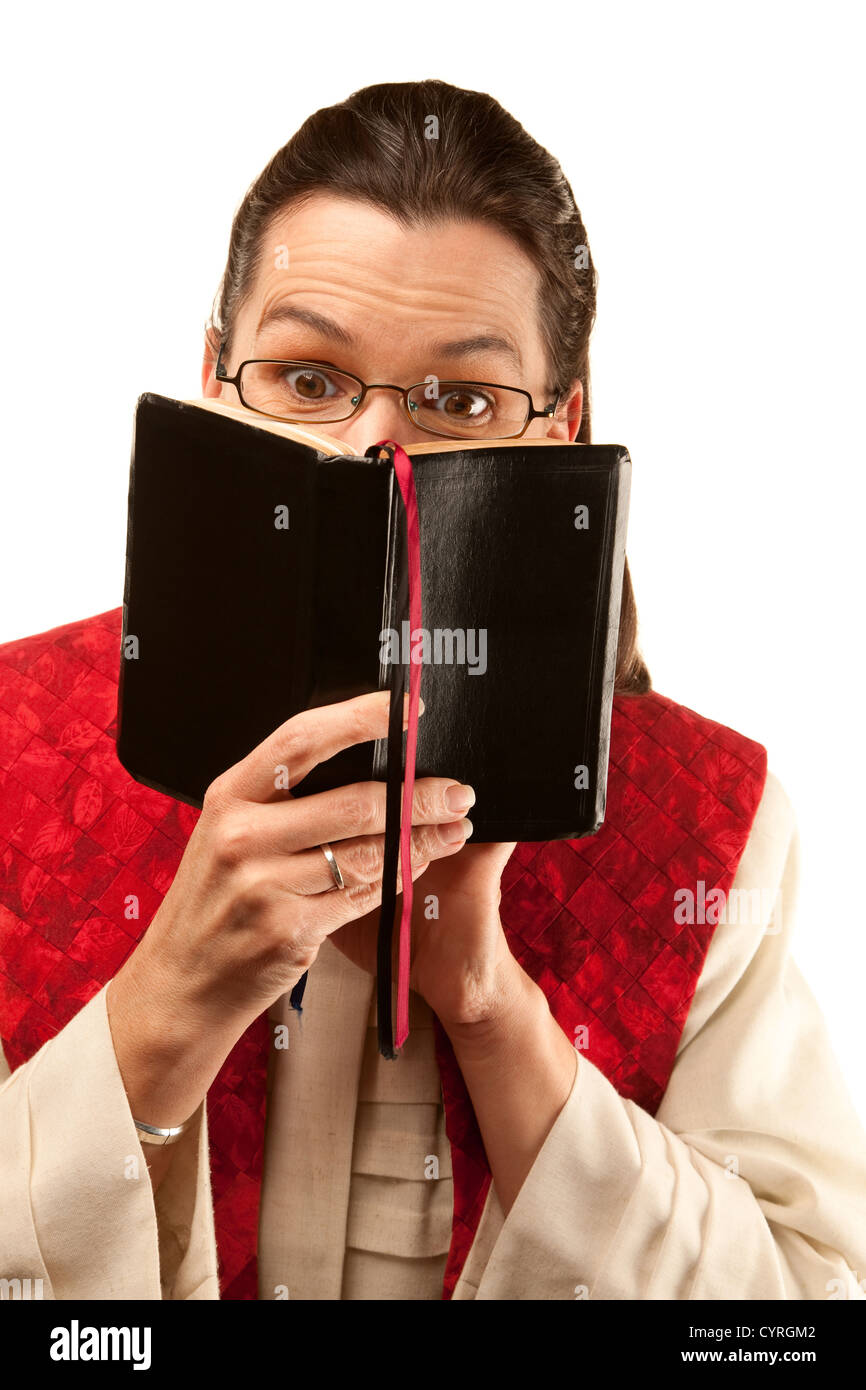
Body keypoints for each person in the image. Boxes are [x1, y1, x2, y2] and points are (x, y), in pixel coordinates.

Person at [1, 78, 865, 1302]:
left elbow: (794, 1313)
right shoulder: (9, 743)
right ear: (211, 374)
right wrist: (169, 1002)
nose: (369, 450)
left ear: (560, 429)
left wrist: (487, 999)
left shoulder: (714, 816)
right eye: (306, 377)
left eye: (457, 402)